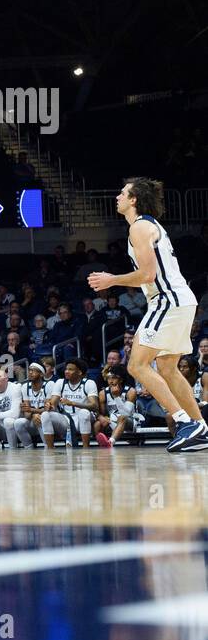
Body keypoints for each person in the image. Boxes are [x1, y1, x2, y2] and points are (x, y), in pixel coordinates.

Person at [87, 178, 206, 451]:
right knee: (166, 367)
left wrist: (111, 280)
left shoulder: (140, 227)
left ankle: (185, 422)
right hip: (178, 301)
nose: (117, 196)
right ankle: (199, 428)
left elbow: (148, 275)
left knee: (136, 365)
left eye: (122, 192)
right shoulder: (147, 225)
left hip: (167, 300)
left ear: (134, 200)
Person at [42, 358, 99, 448]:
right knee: (45, 415)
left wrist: (72, 403)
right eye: (66, 369)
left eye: (70, 369)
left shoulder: (89, 383)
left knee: (84, 413)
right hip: (66, 419)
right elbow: (53, 402)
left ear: (79, 372)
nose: (66, 371)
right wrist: (49, 405)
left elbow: (94, 406)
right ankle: (50, 448)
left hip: (83, 420)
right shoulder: (60, 382)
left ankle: (86, 447)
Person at [94, 371, 139, 447]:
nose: (111, 381)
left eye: (114, 378)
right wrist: (102, 417)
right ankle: (102, 444)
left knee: (122, 418)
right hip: (112, 420)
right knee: (97, 424)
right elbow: (102, 413)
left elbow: (126, 414)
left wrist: (116, 397)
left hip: (131, 421)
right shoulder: (103, 393)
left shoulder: (130, 391)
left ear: (121, 380)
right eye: (109, 378)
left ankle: (110, 442)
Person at [14, 362, 51, 448]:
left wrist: (32, 411)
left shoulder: (49, 385)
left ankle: (48, 446)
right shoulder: (25, 387)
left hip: (50, 418)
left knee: (42, 417)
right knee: (18, 423)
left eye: (34, 371)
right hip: (34, 418)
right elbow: (27, 414)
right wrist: (33, 413)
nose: (30, 373)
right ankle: (28, 447)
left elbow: (47, 409)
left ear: (41, 374)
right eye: (29, 370)